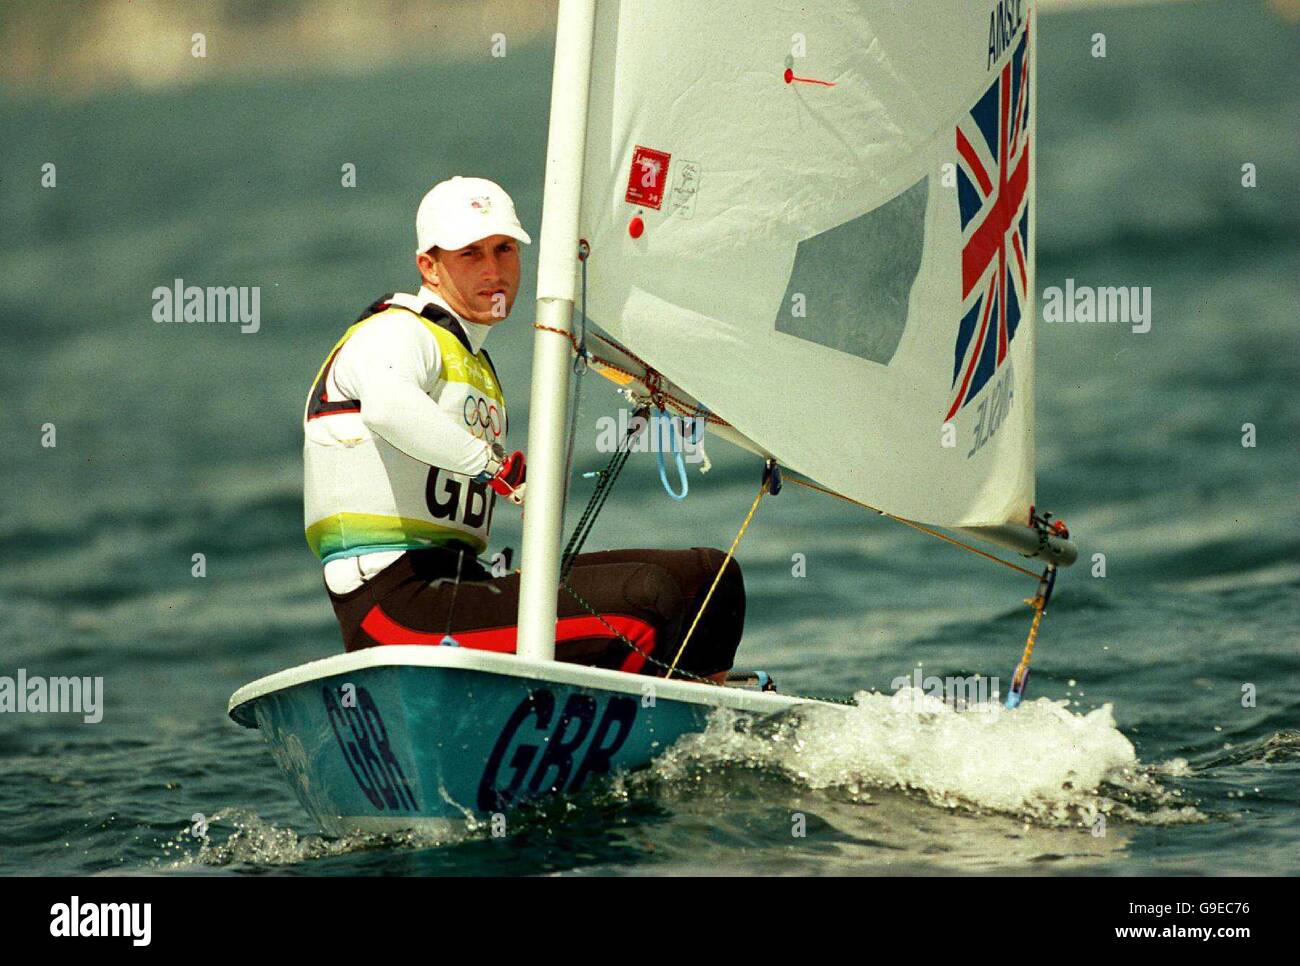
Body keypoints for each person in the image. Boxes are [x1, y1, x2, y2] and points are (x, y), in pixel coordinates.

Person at [302, 176, 744, 682]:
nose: (494, 271)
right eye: (471, 254)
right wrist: (492, 468)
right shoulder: (395, 332)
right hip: (393, 606)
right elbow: (387, 407)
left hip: (464, 585)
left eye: (504, 249)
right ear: (429, 266)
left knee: (709, 579)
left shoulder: (474, 362)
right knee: (648, 599)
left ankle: (703, 726)